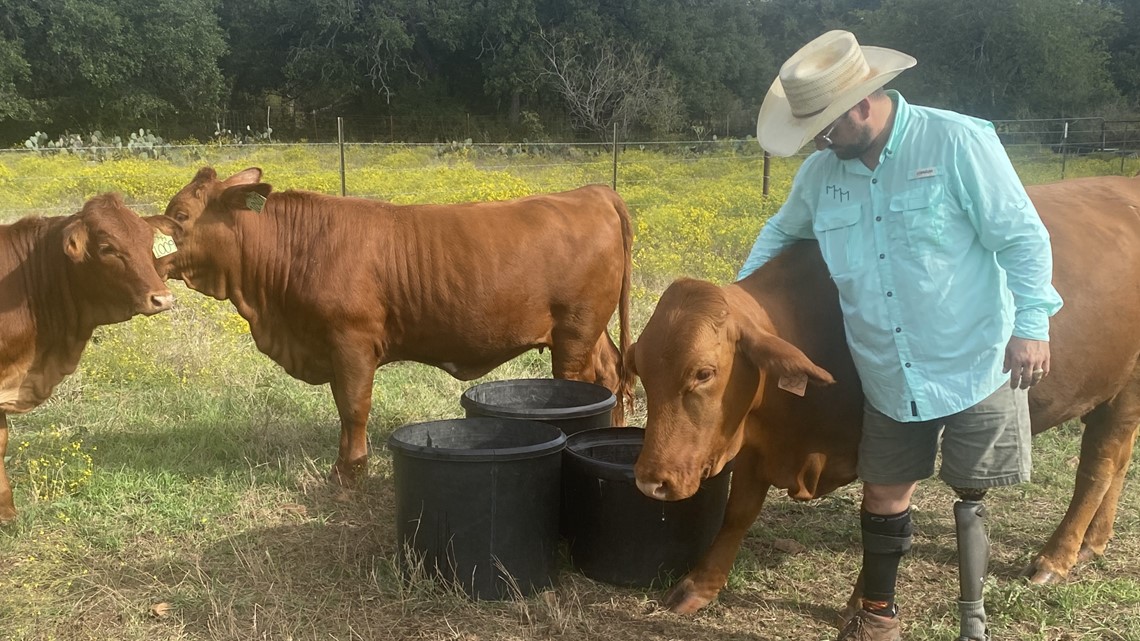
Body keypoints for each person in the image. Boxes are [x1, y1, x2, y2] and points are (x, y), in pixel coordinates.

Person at [737, 30, 1063, 641]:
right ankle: (878, 615)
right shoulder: (820, 176)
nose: (820, 142)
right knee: (884, 490)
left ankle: (973, 620)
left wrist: (1032, 326)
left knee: (971, 492)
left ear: (861, 105)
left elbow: (1022, 238)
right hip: (887, 371)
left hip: (975, 358)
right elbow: (781, 235)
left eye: (826, 129)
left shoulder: (957, 141)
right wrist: (738, 302)